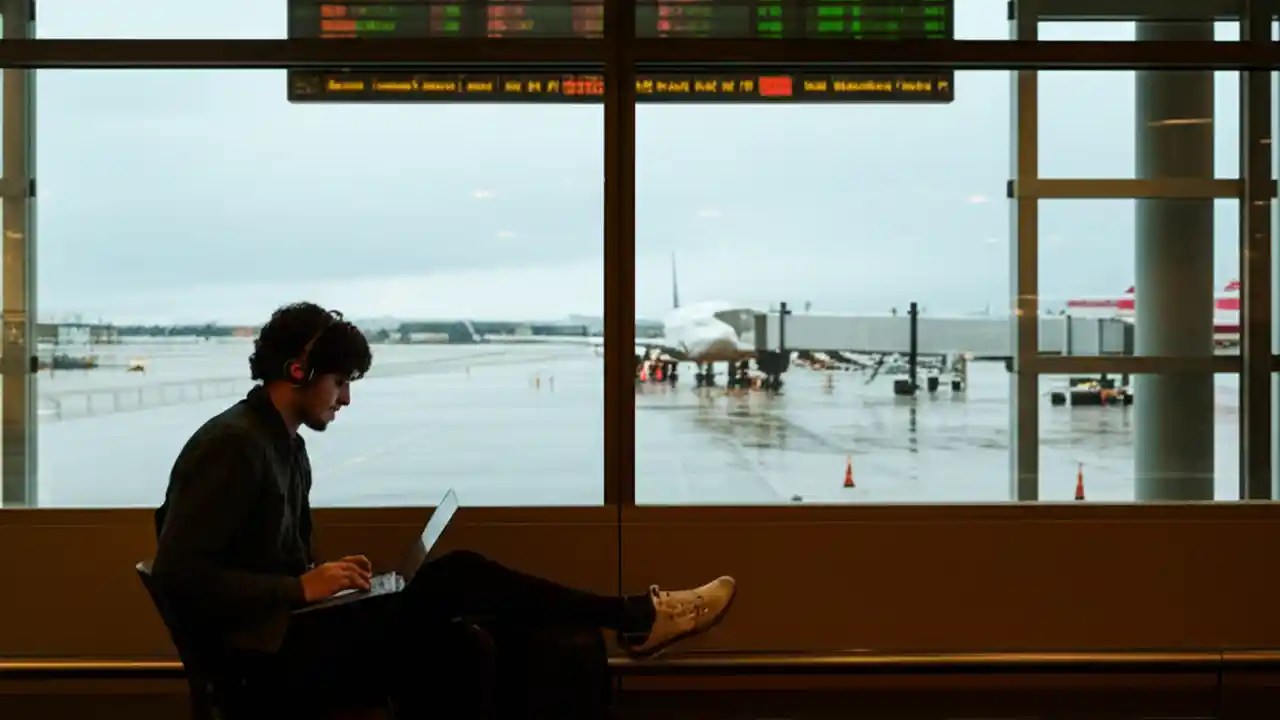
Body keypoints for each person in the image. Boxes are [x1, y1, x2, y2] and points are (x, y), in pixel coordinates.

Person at [151, 302, 737, 717]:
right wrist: (300, 590)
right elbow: (182, 576)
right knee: (458, 576)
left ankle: (633, 617)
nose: (346, 398)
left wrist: (335, 587)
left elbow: (265, 564)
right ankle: (635, 616)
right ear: (299, 372)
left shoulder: (283, 444)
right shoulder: (233, 446)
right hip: (261, 667)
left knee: (457, 646)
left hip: (286, 639)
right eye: (341, 380)